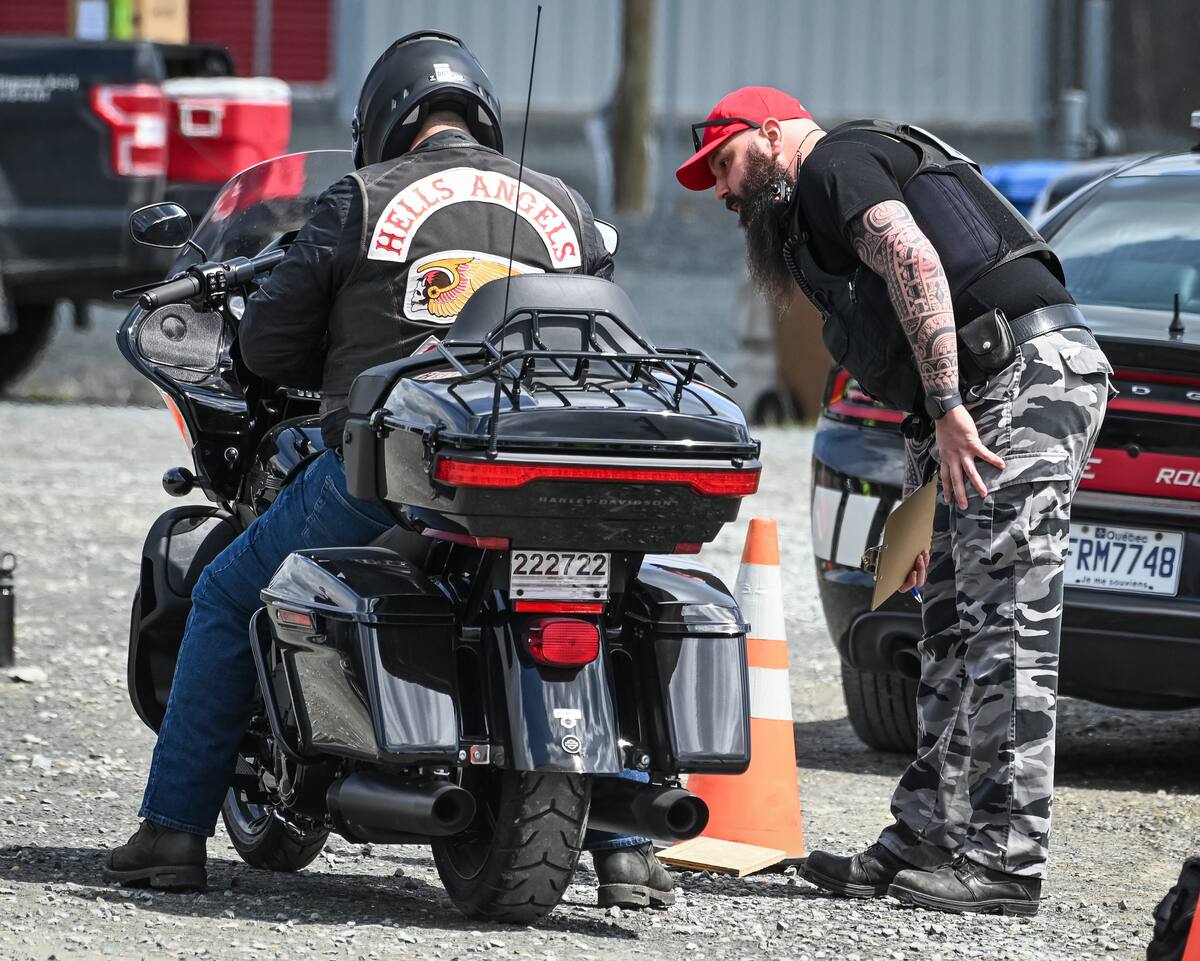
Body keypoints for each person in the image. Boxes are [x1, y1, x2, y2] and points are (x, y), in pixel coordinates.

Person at [104, 30, 673, 911]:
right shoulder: (561, 203)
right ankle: (627, 853)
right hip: (550, 473)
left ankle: (172, 833)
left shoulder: (362, 197)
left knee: (223, 592)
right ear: (480, 111)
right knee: (599, 605)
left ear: (380, 120)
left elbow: (268, 343)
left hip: (404, 474)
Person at [676, 87, 1111, 916]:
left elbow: (913, 261)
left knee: (1005, 623)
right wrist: (922, 505)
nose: (725, 193)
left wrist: (950, 405)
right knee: (944, 621)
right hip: (983, 393)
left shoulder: (834, 163)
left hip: (1021, 377)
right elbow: (910, 362)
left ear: (771, 134)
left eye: (725, 165)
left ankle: (1005, 863)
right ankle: (925, 836)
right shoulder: (816, 200)